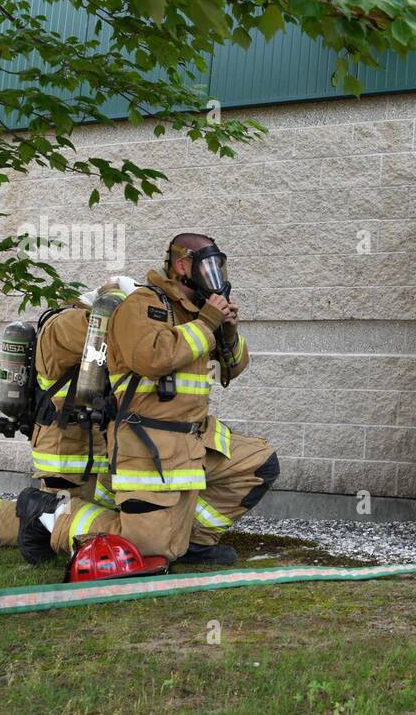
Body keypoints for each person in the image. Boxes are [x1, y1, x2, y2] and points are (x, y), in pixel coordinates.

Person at [16, 234, 278, 567]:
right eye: (208, 266)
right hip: (150, 448)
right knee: (147, 552)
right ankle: (47, 512)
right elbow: (150, 357)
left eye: (219, 267)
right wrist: (207, 323)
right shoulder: (142, 304)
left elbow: (232, 368)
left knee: (258, 464)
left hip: (195, 442)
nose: (216, 276)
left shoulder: (194, 315)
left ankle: (191, 541)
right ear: (182, 265)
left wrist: (226, 331)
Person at [0, 277, 136, 548]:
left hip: (82, 449)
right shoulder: (66, 325)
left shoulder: (83, 327)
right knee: (54, 521)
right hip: (66, 453)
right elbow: (109, 332)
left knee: (64, 518)